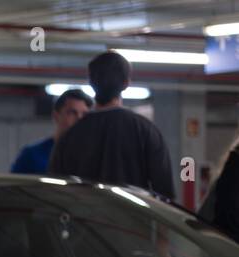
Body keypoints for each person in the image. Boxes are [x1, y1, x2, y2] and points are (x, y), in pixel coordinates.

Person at [47, 51, 174, 198]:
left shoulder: (69, 136)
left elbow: (55, 192)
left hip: (85, 219)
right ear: (127, 83)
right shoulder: (146, 131)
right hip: (133, 219)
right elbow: (165, 194)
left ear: (91, 82)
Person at [11, 88, 92, 175]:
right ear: (56, 116)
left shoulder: (91, 157)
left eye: (84, 114)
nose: (79, 119)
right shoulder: (31, 155)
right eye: (72, 113)